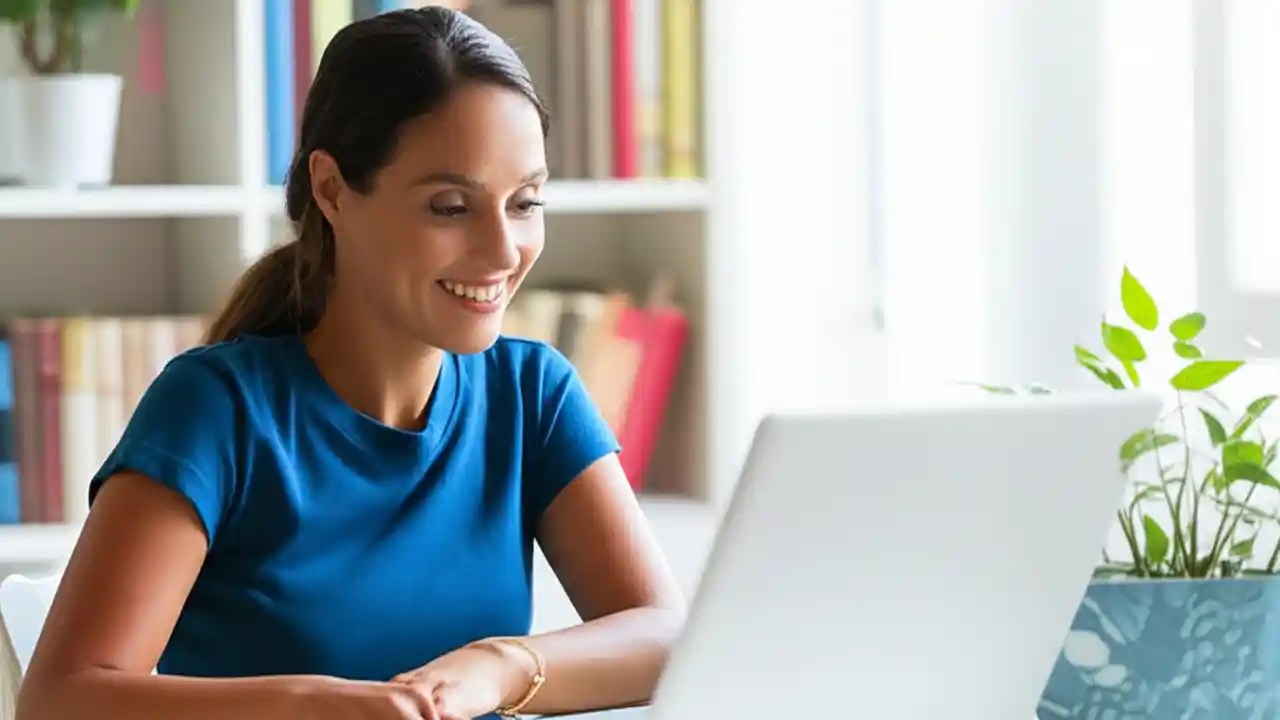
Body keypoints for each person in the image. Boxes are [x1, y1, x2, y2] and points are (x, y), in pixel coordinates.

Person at [16, 7, 685, 720]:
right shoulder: (216, 411)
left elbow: (665, 633)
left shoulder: (532, 394)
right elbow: (61, 699)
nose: (502, 250)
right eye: (451, 207)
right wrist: (315, 705)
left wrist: (504, 665)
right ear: (332, 190)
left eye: (525, 202)